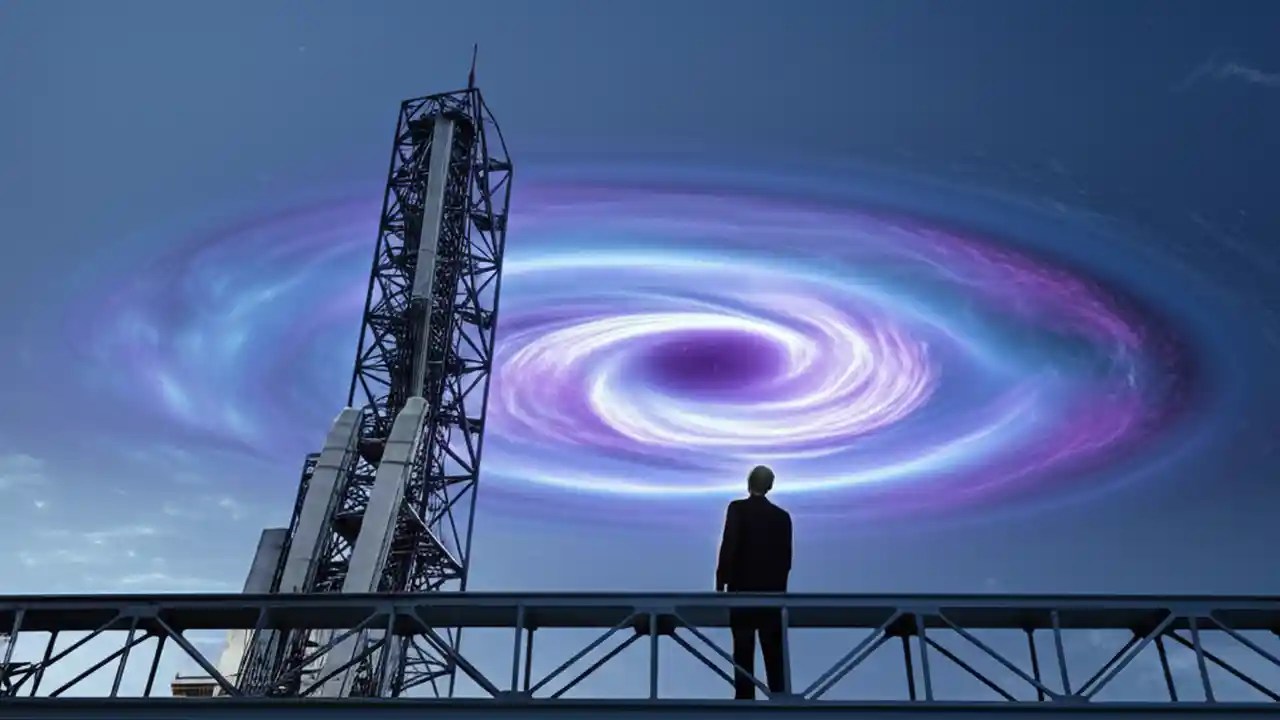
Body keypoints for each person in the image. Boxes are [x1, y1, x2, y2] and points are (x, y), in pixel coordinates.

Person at [715, 465, 792, 700]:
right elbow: (786, 559)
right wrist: (779, 592)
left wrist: (721, 582)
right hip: (772, 595)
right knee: (773, 651)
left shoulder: (737, 509)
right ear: (770, 486)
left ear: (749, 484)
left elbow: (730, 546)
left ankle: (745, 699)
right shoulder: (782, 517)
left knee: (743, 649)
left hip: (742, 591)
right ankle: (778, 698)